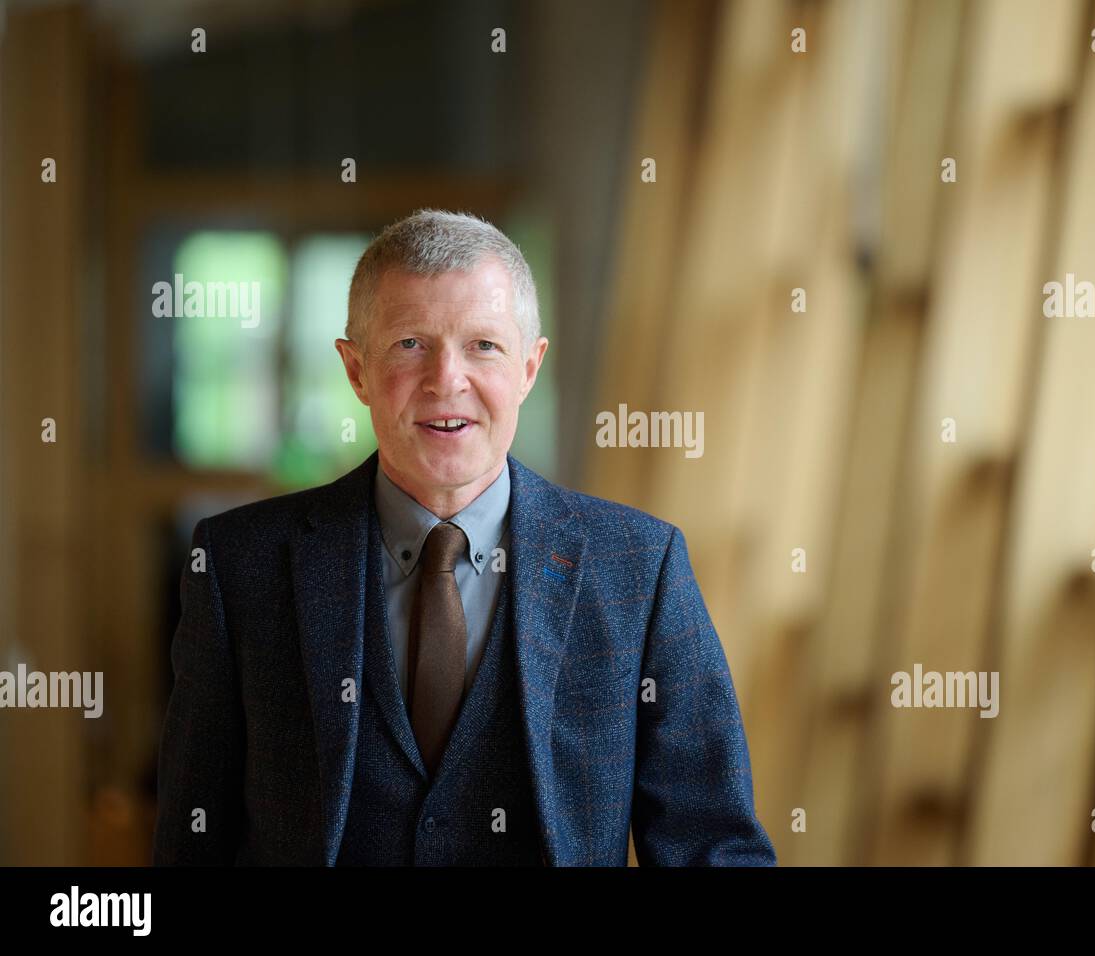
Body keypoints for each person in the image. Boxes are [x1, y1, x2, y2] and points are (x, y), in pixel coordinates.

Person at [153, 209, 776, 866]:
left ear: (530, 367)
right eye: (409, 344)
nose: (446, 380)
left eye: (483, 345)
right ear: (355, 369)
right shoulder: (238, 566)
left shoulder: (641, 569)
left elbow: (712, 846)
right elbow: (193, 840)